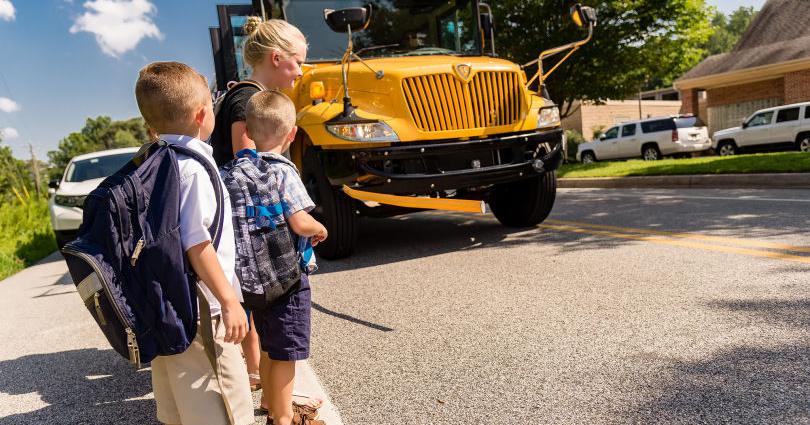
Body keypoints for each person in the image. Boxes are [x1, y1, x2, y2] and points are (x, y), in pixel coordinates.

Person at [209, 15, 322, 416]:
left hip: (253, 251)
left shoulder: (242, 95)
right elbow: (252, 171)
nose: (301, 71)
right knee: (282, 334)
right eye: (298, 62)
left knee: (269, 329)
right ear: (276, 58)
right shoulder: (249, 101)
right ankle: (282, 411)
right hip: (269, 253)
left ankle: (272, 397)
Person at [134, 61, 254, 425]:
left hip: (165, 302)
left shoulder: (151, 161)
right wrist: (229, 301)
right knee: (222, 401)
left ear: (151, 124)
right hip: (204, 309)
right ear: (203, 114)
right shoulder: (194, 169)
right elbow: (196, 242)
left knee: (178, 404)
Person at [243, 90, 327, 425]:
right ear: (291, 134)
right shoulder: (284, 171)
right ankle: (282, 416)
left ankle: (271, 403)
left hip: (253, 278)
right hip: (287, 279)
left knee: (267, 345)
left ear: (248, 132)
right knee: (286, 353)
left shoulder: (236, 172)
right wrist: (320, 227)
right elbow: (299, 220)